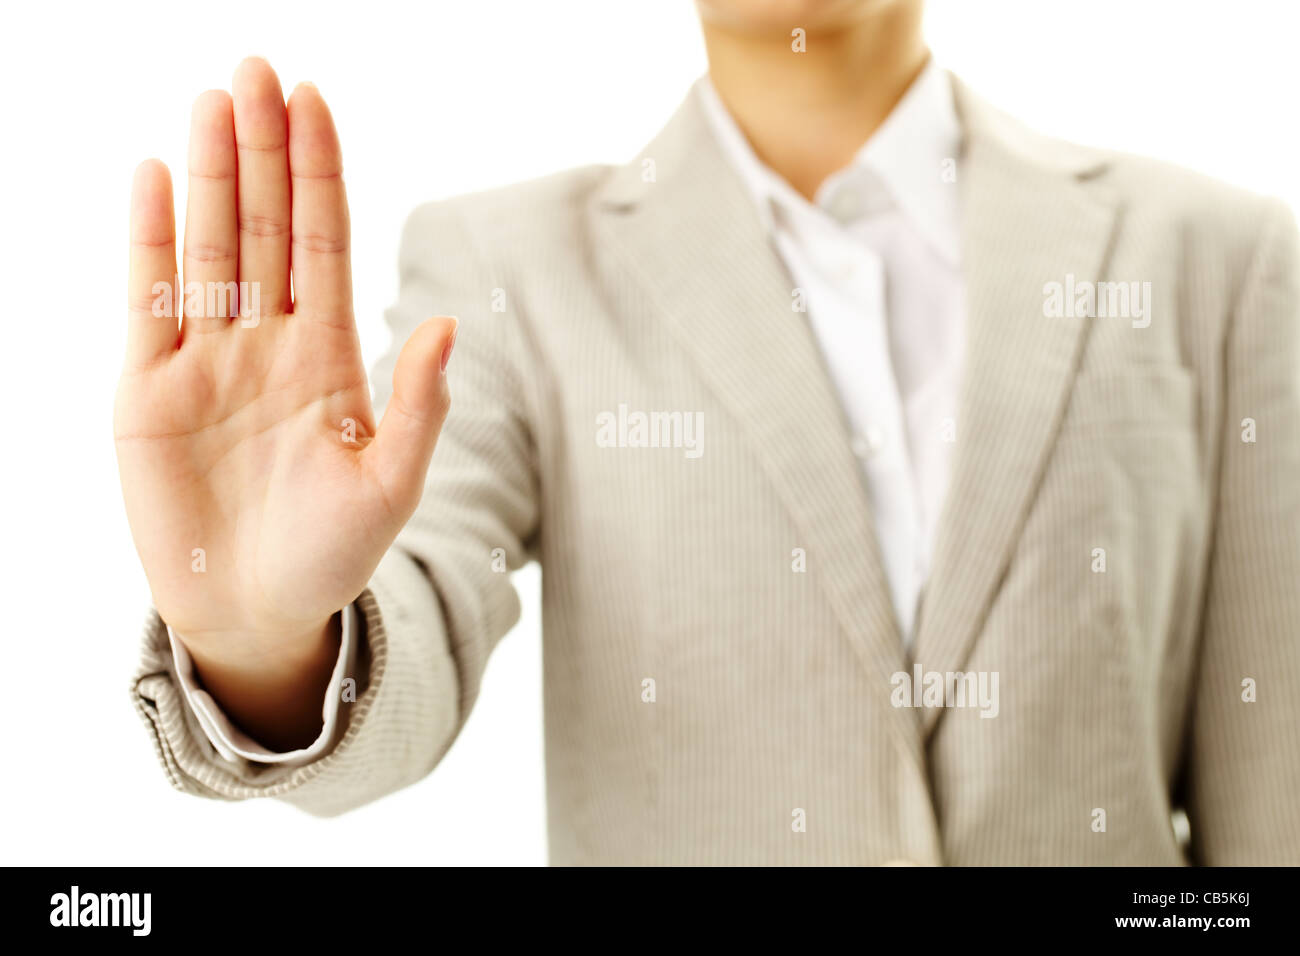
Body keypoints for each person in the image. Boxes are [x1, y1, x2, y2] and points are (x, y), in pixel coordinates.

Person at [116, 0, 1300, 865]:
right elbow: (414, 623)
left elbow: (1270, 798)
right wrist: (267, 638)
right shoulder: (515, 267)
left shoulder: (1215, 258)